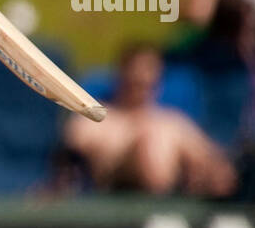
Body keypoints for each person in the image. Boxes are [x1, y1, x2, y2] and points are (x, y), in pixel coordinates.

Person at [64, 42, 237, 197]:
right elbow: (71, 152)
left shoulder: (172, 123)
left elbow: (214, 164)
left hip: (166, 203)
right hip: (110, 196)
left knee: (158, 137)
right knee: (151, 141)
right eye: (136, 81)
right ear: (121, 75)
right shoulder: (95, 118)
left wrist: (210, 171)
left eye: (147, 80)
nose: (141, 83)